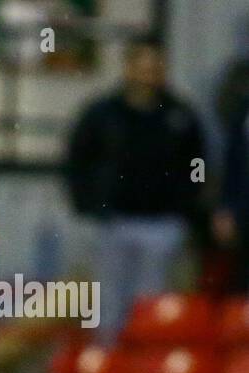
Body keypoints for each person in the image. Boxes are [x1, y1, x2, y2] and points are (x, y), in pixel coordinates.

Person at [66, 34, 207, 342]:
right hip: (113, 221)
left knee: (152, 304)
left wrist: (187, 205)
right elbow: (78, 160)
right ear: (127, 68)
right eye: (142, 67)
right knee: (109, 304)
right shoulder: (102, 114)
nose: (148, 75)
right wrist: (87, 203)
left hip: (162, 223)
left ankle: (146, 370)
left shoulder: (180, 116)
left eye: (155, 68)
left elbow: (198, 165)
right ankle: (108, 372)